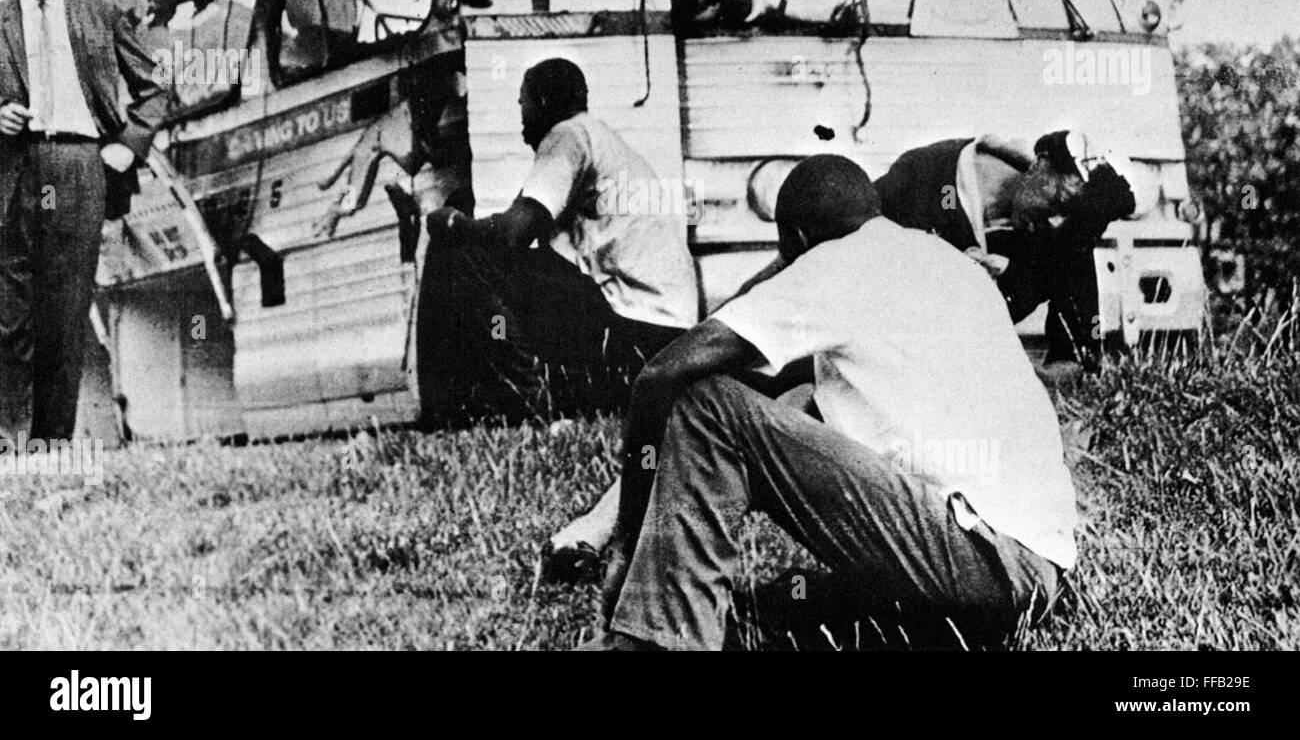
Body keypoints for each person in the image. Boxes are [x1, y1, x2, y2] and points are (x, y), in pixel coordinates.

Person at [588, 154, 1079, 650]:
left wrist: (627, 545)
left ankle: (656, 643)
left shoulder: (834, 263)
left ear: (797, 240)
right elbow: (801, 430)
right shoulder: (947, 262)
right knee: (775, 611)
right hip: (1034, 579)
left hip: (982, 562)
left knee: (707, 406)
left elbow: (661, 374)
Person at [416, 57, 698, 433]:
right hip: (662, 337)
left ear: (544, 104)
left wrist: (452, 222)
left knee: (466, 260)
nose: (521, 117)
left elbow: (510, 235)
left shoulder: (568, 136)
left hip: (636, 332)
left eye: (523, 104)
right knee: (504, 271)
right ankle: (509, 399)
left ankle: (529, 406)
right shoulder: (601, 141)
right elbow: (521, 229)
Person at [0, 0, 167, 442]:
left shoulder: (100, 16)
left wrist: (125, 149)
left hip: (79, 169)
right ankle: (4, 442)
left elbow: (156, 88)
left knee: (65, 312)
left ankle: (51, 443)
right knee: (8, 314)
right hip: (15, 170)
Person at [873, 130, 1137, 374]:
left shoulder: (1060, 233)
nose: (1056, 221)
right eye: (1058, 202)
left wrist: (1067, 364)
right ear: (1040, 165)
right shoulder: (932, 175)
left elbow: (1082, 341)